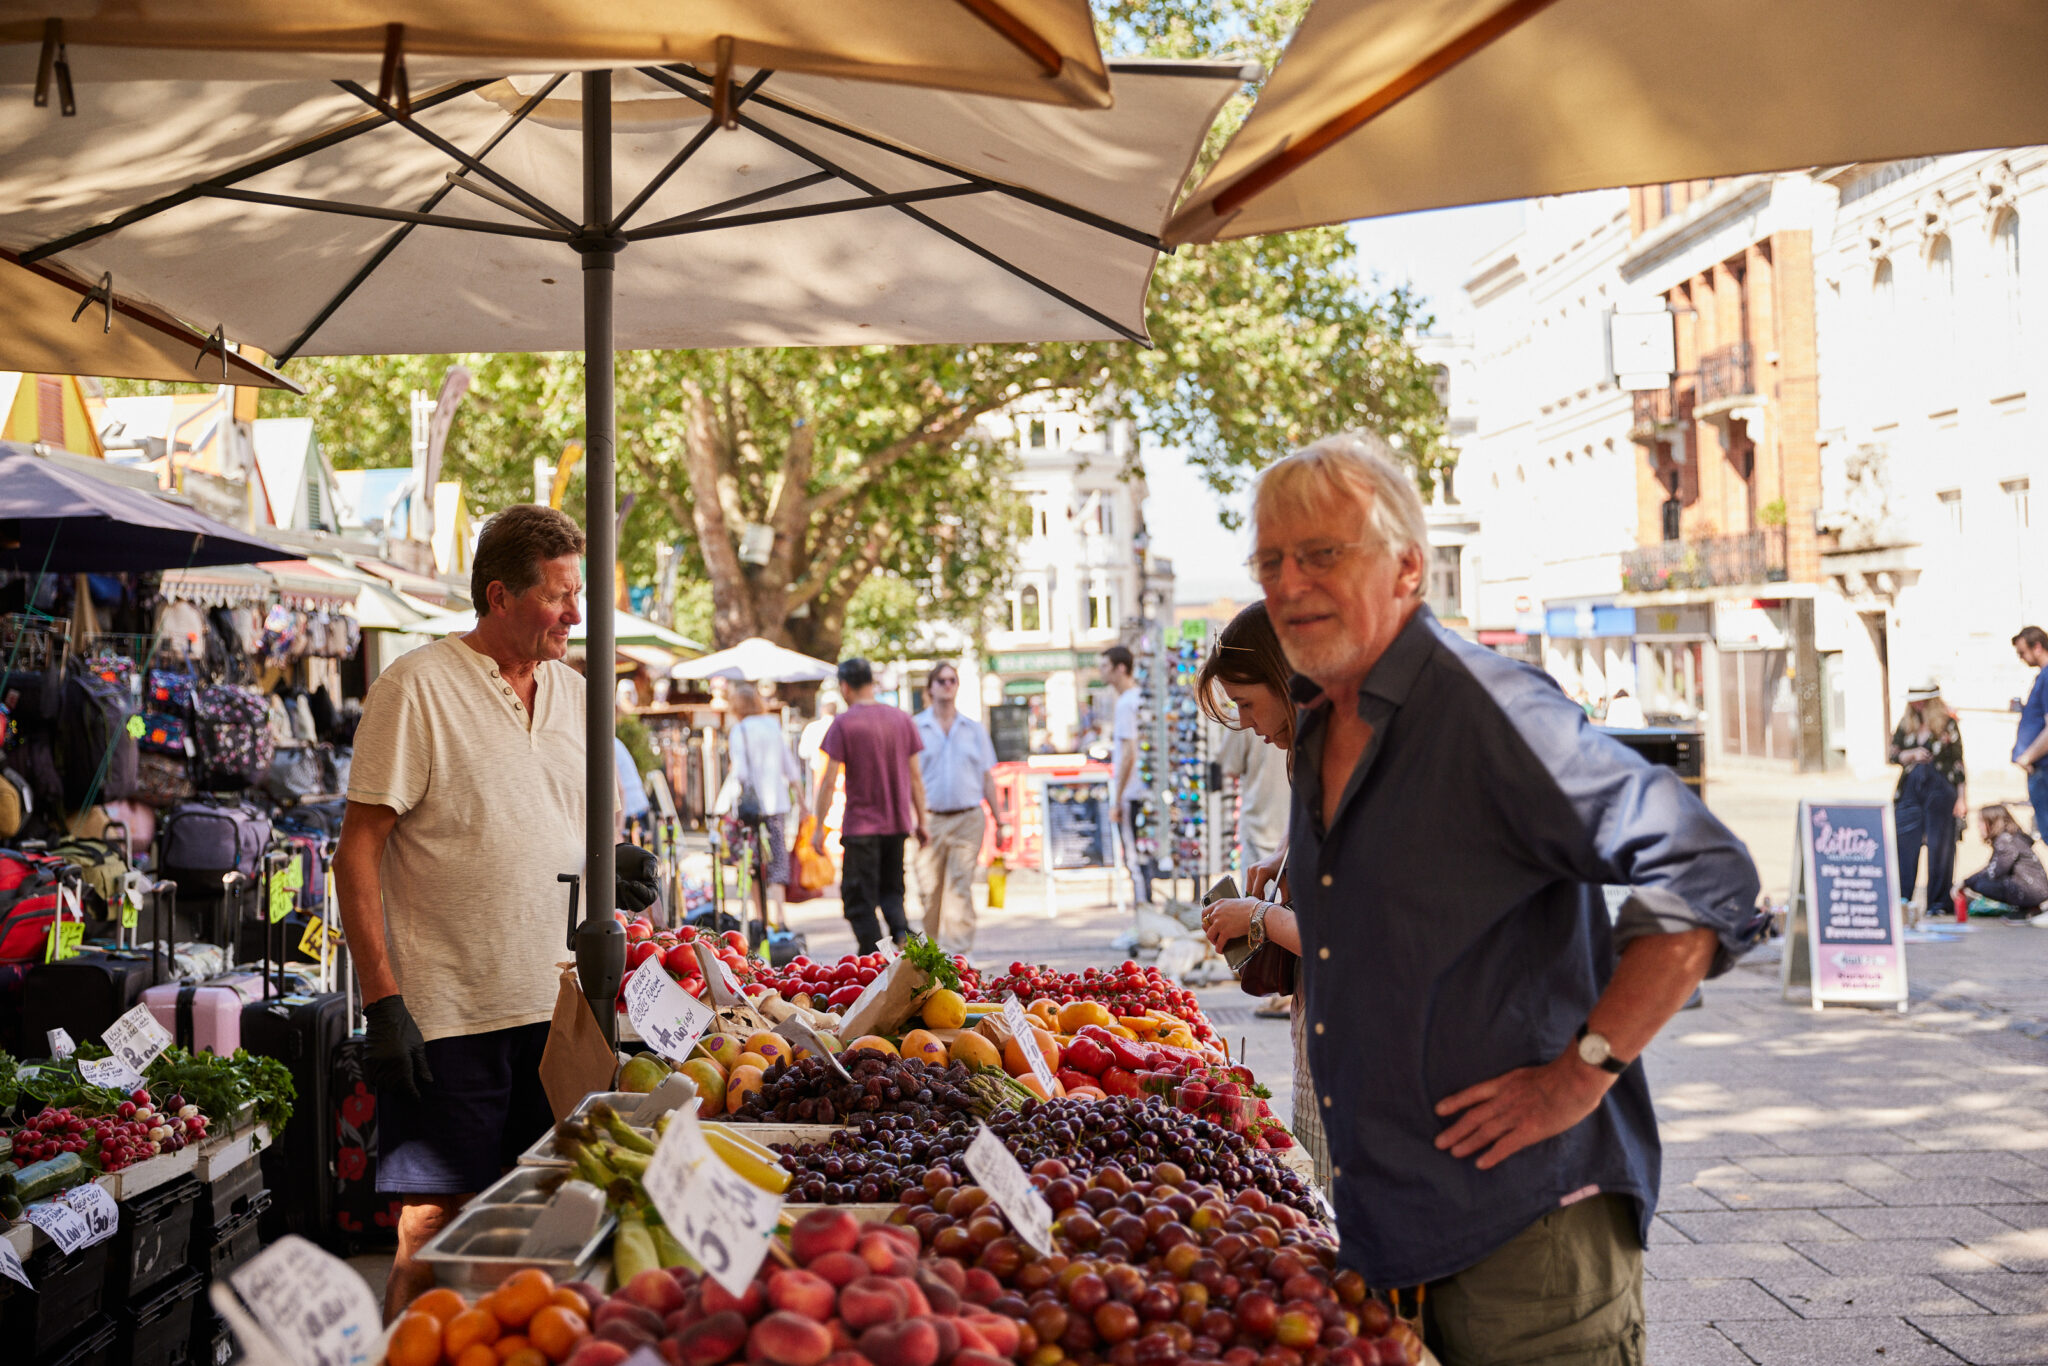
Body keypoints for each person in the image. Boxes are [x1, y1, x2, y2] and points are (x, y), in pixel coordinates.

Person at [1248, 434, 1761, 1365]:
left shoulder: (1489, 710)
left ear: (1408, 565)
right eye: (1271, 560)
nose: (1288, 583)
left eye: (1322, 553)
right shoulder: (1322, 724)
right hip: (1394, 1231)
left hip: (1526, 1239)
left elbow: (1707, 869)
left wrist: (1582, 1072)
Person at [338, 505, 646, 1320]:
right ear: (500, 594)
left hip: (557, 1008)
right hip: (448, 1010)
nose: (577, 615)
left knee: (546, 1218)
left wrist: (614, 870)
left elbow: (575, 824)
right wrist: (383, 1002)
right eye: (558, 596)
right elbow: (356, 852)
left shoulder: (580, 694)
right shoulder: (416, 686)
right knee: (437, 1221)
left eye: (579, 594)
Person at [1191, 601, 1331, 1188]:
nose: (1246, 722)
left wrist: (1261, 917)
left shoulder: (1344, 762)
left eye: (1247, 702)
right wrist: (1287, 855)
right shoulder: (1314, 757)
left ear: (1286, 678)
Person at [811, 658, 926, 953]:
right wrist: (921, 821)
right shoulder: (902, 719)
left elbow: (828, 780)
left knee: (857, 899)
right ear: (871, 683)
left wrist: (818, 827)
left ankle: (876, 958)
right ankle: (901, 935)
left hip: (861, 826)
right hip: (897, 824)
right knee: (892, 893)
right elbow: (915, 776)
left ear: (845, 686)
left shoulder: (844, 722)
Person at [912, 662, 1006, 957]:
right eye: (941, 680)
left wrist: (1000, 820)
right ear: (930, 688)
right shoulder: (916, 727)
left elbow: (986, 777)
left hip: (968, 817)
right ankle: (930, 956)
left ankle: (958, 957)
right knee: (930, 891)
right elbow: (907, 778)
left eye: (952, 680)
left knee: (960, 888)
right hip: (929, 819)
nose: (947, 685)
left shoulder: (973, 729)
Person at [727, 684, 807, 931]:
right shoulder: (773, 726)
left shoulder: (739, 730)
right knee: (777, 862)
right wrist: (803, 802)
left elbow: (739, 772)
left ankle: (760, 918)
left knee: (752, 864)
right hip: (776, 805)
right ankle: (781, 918)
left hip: (751, 809)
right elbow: (790, 768)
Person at [1891, 681, 1968, 921]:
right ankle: (1903, 899)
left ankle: (1938, 901)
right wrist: (1910, 754)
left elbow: (1958, 763)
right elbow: (1892, 754)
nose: (1916, 703)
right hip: (1911, 789)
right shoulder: (1906, 724)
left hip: (1941, 789)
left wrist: (1962, 798)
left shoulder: (1947, 724)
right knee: (1905, 844)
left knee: (1940, 846)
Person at [1101, 644, 1152, 905]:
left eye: (1105, 667)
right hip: (1142, 789)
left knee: (1134, 857)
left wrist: (1116, 798)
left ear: (1121, 668)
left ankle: (1144, 913)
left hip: (1131, 792)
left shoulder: (1125, 703)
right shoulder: (1140, 697)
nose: (1101, 673)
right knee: (1144, 857)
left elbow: (1129, 752)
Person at [1960, 803, 2048, 923]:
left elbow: (1995, 871)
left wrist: (1966, 882)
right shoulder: (2011, 838)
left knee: (1982, 883)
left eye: (1981, 821)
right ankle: (2027, 907)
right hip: (2036, 889)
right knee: (1981, 880)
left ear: (1992, 822)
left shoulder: (2006, 840)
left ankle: (2025, 909)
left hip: (2032, 891)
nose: (1978, 826)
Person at [2011, 626, 2048, 833]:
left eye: (2022, 652)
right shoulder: (2042, 676)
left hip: (2042, 768)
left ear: (2038, 647)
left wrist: (2027, 757)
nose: (2021, 658)